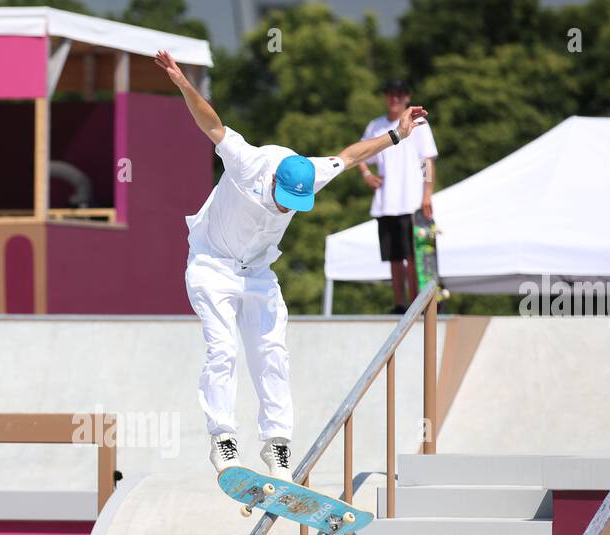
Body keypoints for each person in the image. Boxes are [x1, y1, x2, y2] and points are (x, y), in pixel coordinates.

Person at [154, 50, 428, 480]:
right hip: (212, 265)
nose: (288, 209)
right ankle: (223, 438)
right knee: (224, 349)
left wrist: (397, 135)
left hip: (258, 272)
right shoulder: (246, 162)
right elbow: (212, 124)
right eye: (286, 200)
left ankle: (277, 444)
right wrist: (184, 84)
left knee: (273, 354)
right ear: (274, 182)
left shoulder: (310, 172)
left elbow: (351, 156)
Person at [359, 79, 438, 313]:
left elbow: (427, 161)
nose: (394, 99)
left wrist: (427, 195)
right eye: (390, 95)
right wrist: (366, 175)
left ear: (406, 98)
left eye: (399, 95)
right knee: (394, 258)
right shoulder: (375, 125)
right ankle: (400, 304)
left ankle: (418, 302)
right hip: (386, 201)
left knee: (414, 256)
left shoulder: (418, 123)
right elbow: (361, 153)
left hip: (411, 199)